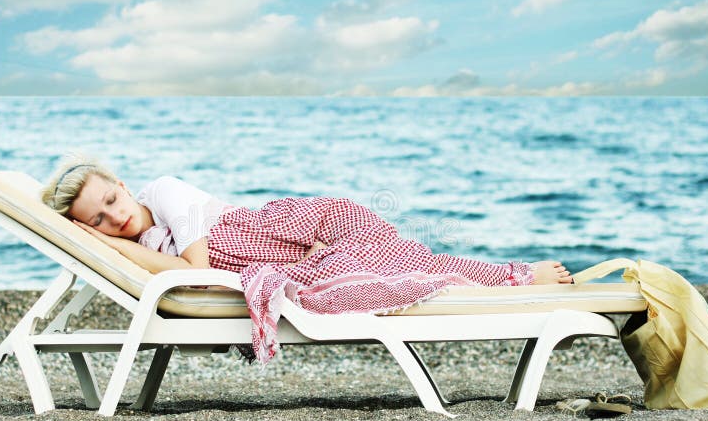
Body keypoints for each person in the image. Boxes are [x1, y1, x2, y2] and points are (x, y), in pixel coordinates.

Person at [42, 154, 573, 362]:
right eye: (97, 222)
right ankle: (511, 277)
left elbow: (196, 272)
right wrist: (117, 245)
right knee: (393, 273)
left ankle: (518, 276)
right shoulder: (141, 246)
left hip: (303, 228)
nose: (114, 221)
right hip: (294, 260)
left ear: (121, 183)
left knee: (403, 259)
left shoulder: (163, 192)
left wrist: (112, 245)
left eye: (110, 201)